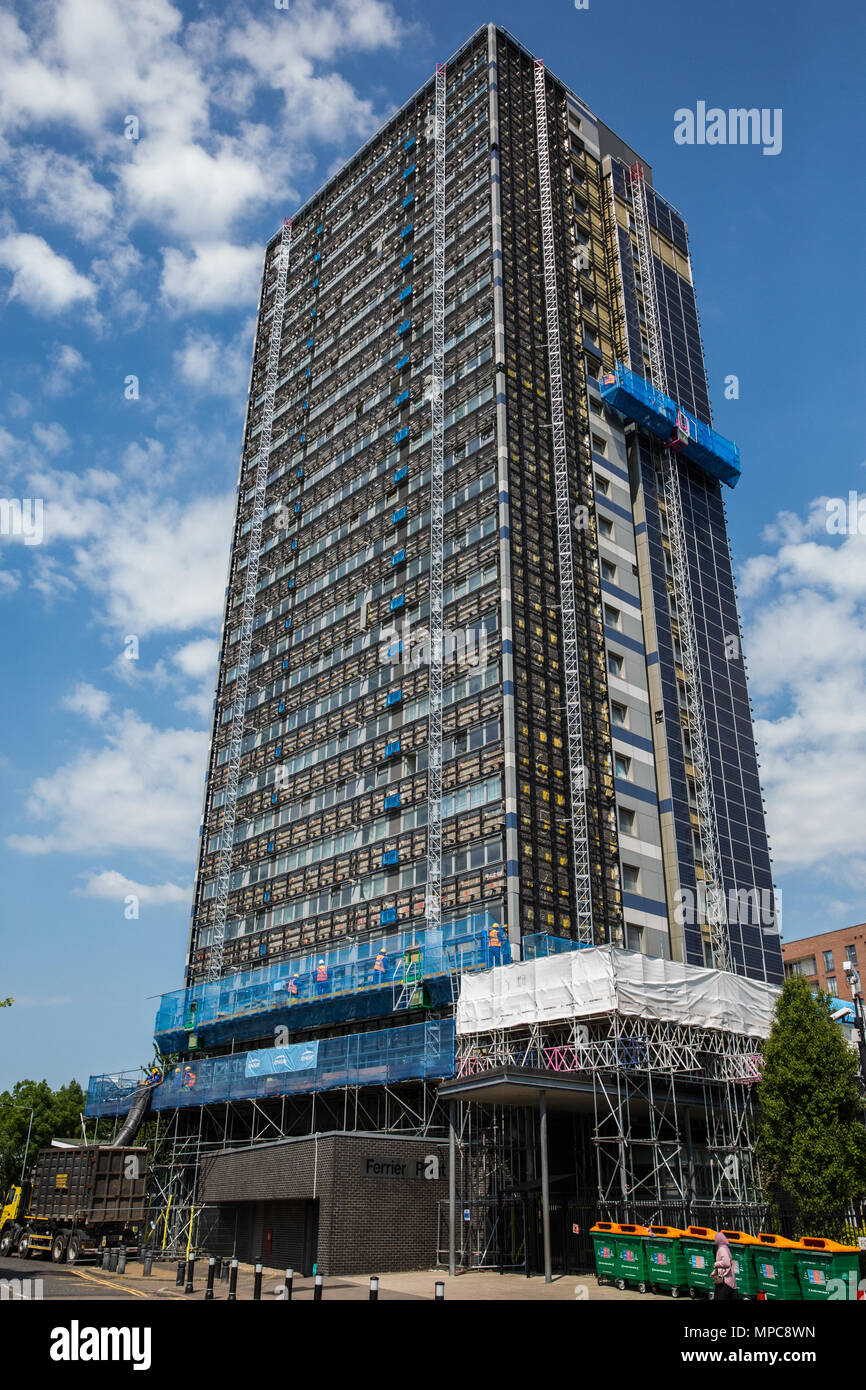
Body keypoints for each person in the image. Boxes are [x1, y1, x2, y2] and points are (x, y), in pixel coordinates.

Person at [712, 1231, 738, 1300]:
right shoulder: (725, 1247)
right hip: (728, 1280)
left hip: (725, 1281)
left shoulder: (722, 1249)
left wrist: (716, 1264)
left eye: (716, 1239)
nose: (715, 1240)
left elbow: (726, 1263)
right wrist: (714, 1272)